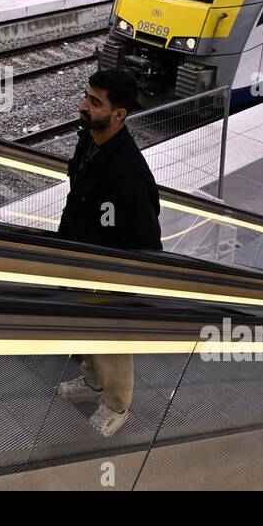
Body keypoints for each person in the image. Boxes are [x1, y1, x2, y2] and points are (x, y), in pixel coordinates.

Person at [55, 68, 160, 437]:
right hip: (77, 258)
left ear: (119, 114)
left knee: (110, 341)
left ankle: (116, 406)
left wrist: (124, 291)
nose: (83, 105)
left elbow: (147, 242)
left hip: (108, 276)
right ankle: (93, 383)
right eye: (86, 96)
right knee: (81, 331)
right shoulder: (90, 138)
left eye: (94, 102)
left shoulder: (129, 175)